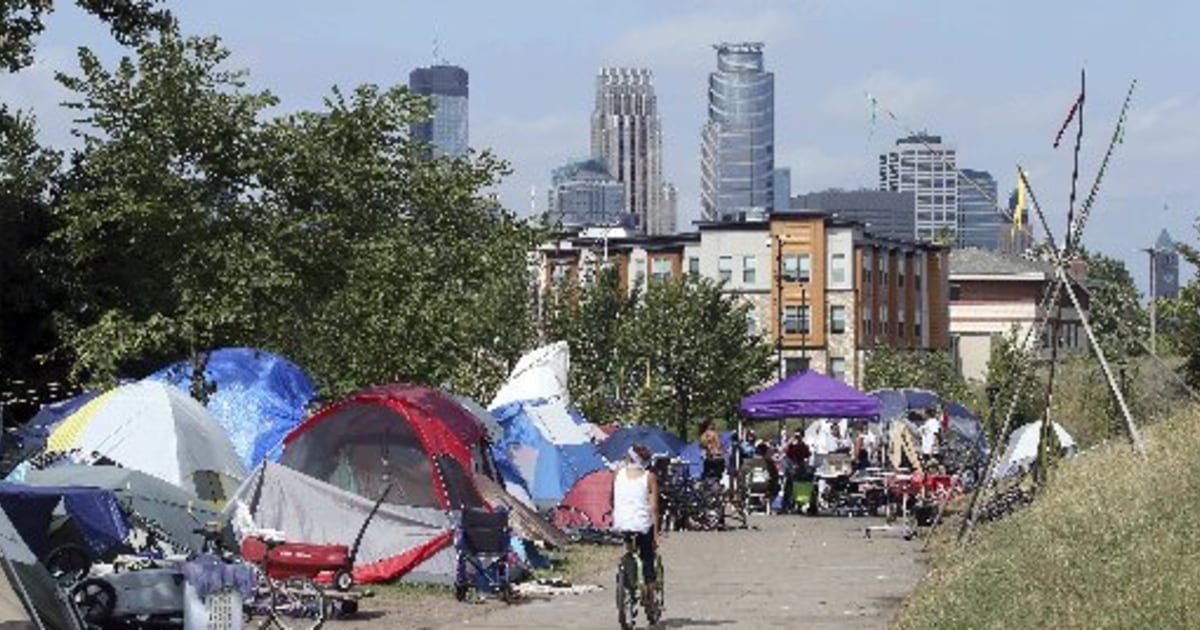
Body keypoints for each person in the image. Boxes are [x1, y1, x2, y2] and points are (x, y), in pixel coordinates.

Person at [612, 443, 661, 613]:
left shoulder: (618, 473)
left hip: (621, 523)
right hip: (641, 524)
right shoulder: (649, 476)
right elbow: (653, 508)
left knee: (630, 548)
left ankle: (628, 577)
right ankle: (650, 596)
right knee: (648, 557)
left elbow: (613, 498)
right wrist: (656, 534)